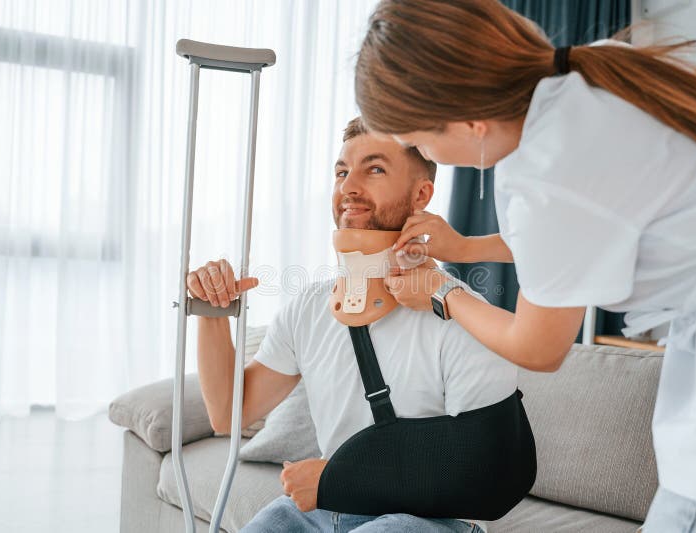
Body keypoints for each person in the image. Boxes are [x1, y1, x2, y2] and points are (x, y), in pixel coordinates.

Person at [352, 1, 696, 531]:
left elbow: (539, 348)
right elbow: (588, 230)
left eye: (419, 141)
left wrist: (441, 292)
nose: (427, 153)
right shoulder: (585, 80)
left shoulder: (549, 174)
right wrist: (466, 248)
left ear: (471, 122)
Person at [189, 117, 518, 532]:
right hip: (321, 512)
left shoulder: (463, 314)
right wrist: (210, 311)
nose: (349, 187)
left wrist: (338, 478)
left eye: (374, 169)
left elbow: (487, 468)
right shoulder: (310, 307)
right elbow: (228, 415)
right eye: (342, 172)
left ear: (422, 195)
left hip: (429, 523)